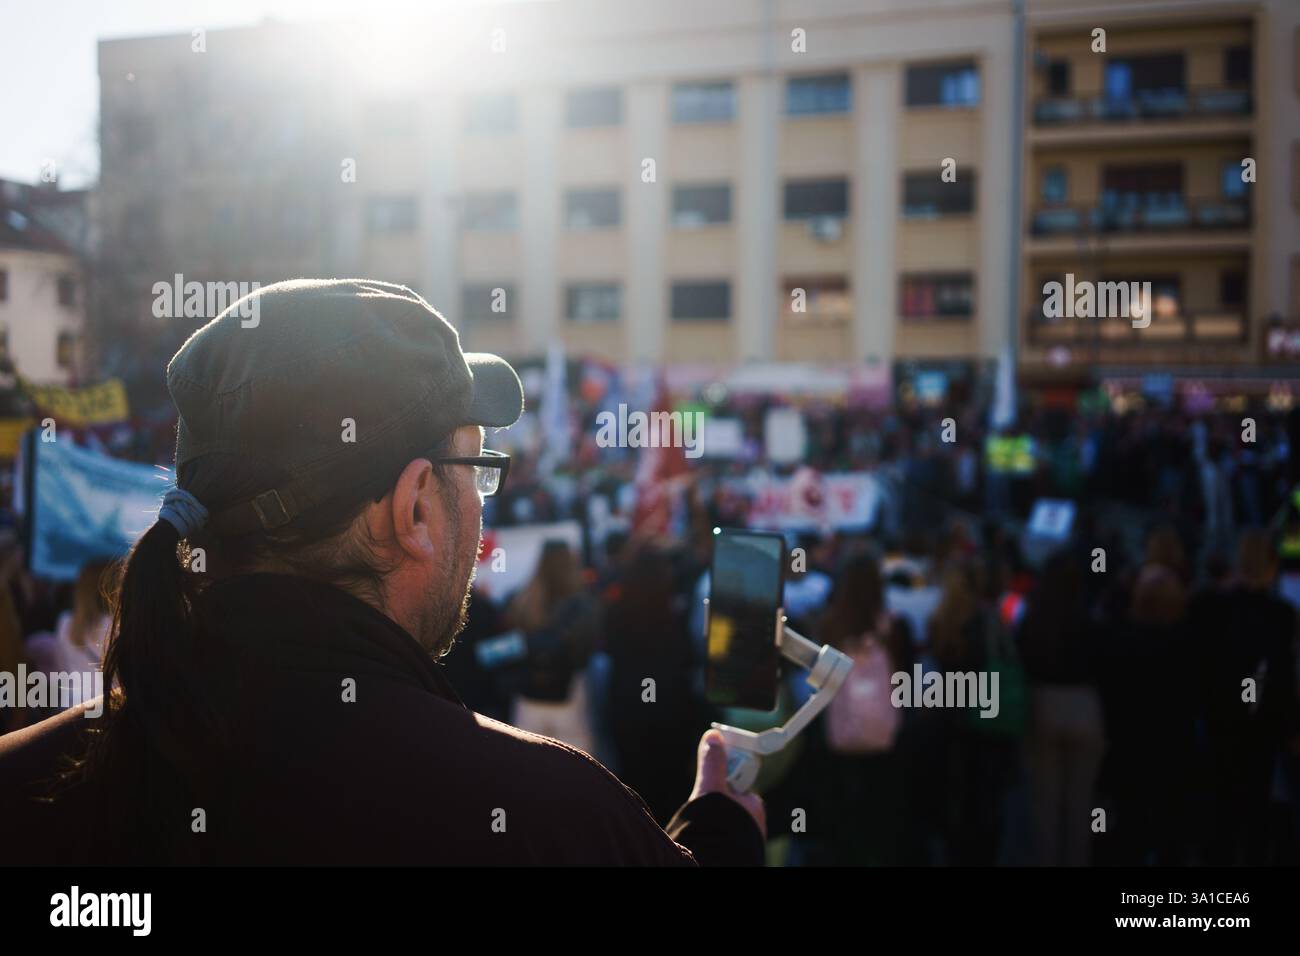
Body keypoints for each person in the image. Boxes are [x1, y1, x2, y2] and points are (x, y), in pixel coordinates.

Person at [0, 279, 764, 865]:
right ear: (414, 508)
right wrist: (721, 835)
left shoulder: (31, 787)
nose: (481, 499)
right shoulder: (555, 821)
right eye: (476, 466)